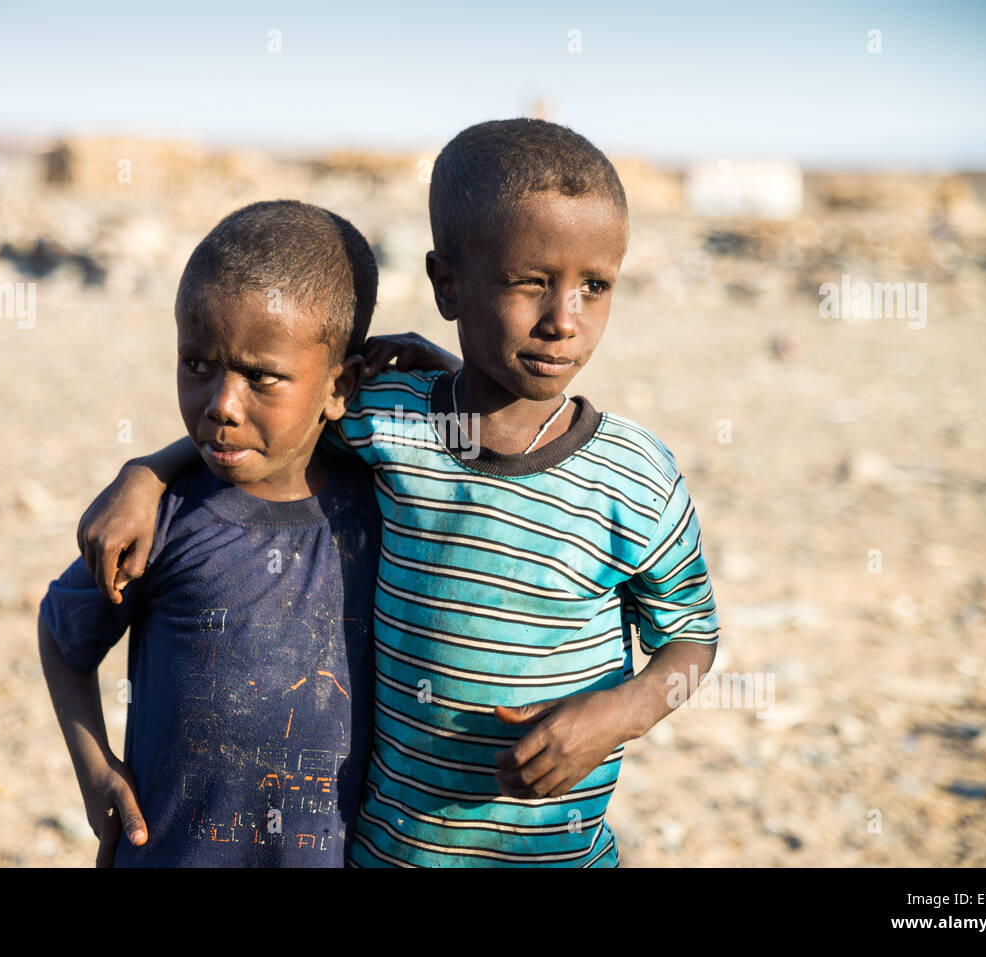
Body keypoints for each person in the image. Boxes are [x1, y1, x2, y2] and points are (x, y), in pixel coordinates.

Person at [78, 119, 721, 867]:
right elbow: (267, 428)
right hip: (391, 853)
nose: (564, 321)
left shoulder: (636, 477)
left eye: (595, 287)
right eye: (530, 282)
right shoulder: (393, 421)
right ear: (447, 284)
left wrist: (620, 712)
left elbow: (694, 641)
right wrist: (150, 472)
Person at [38, 200, 383, 866]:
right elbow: (62, 635)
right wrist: (94, 765)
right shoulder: (163, 522)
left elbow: (485, 426)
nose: (222, 404)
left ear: (340, 385)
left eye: (261, 377)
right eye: (197, 365)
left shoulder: (386, 512)